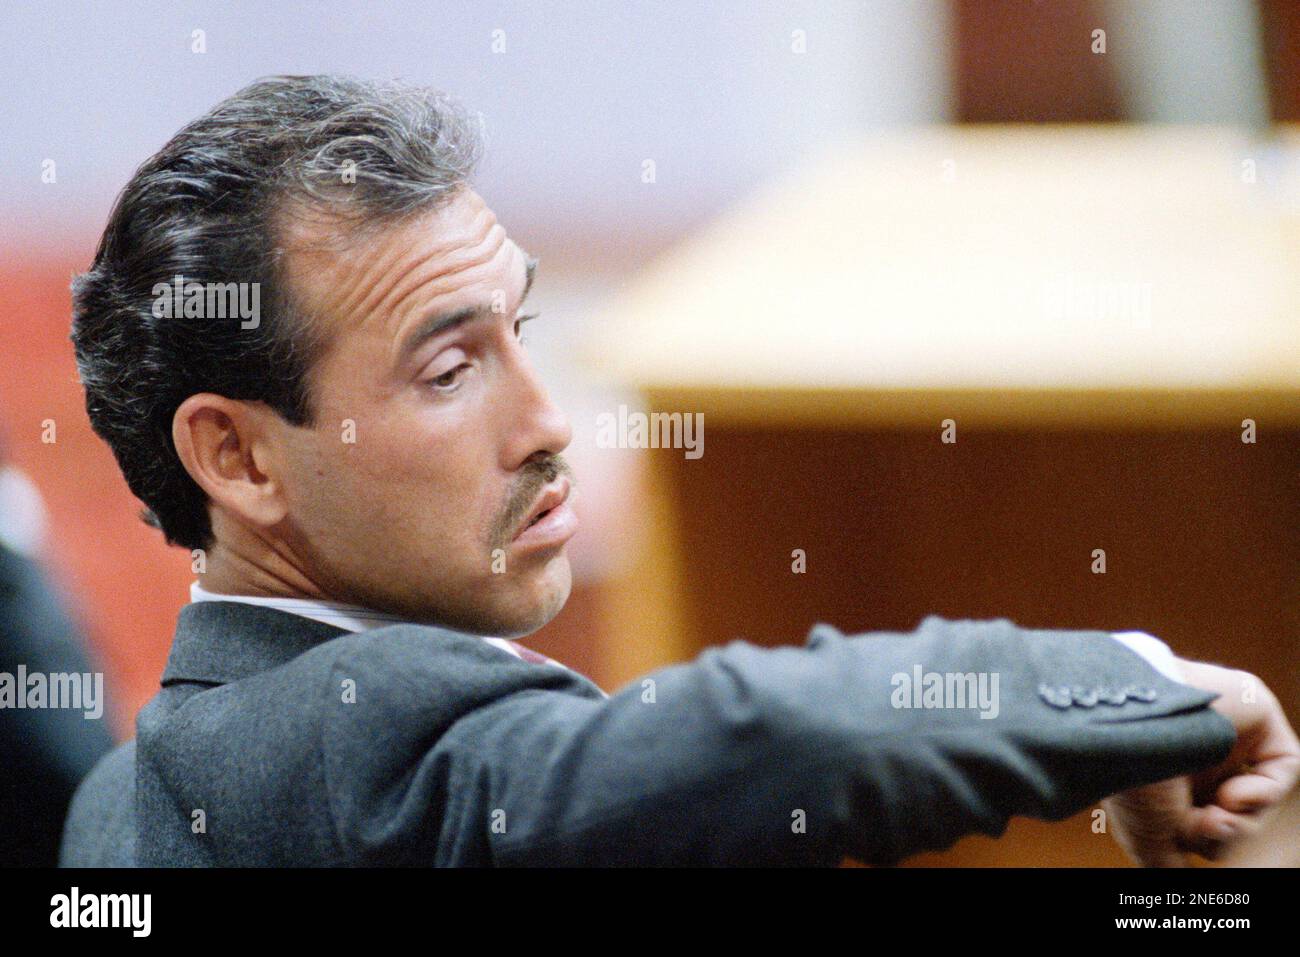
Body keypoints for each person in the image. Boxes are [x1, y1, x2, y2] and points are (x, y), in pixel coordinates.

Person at [60, 75, 1298, 867]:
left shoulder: (115, 804)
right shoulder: (350, 730)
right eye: (448, 372)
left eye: (521, 334)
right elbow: (773, 738)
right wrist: (1132, 687)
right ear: (236, 457)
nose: (548, 423)